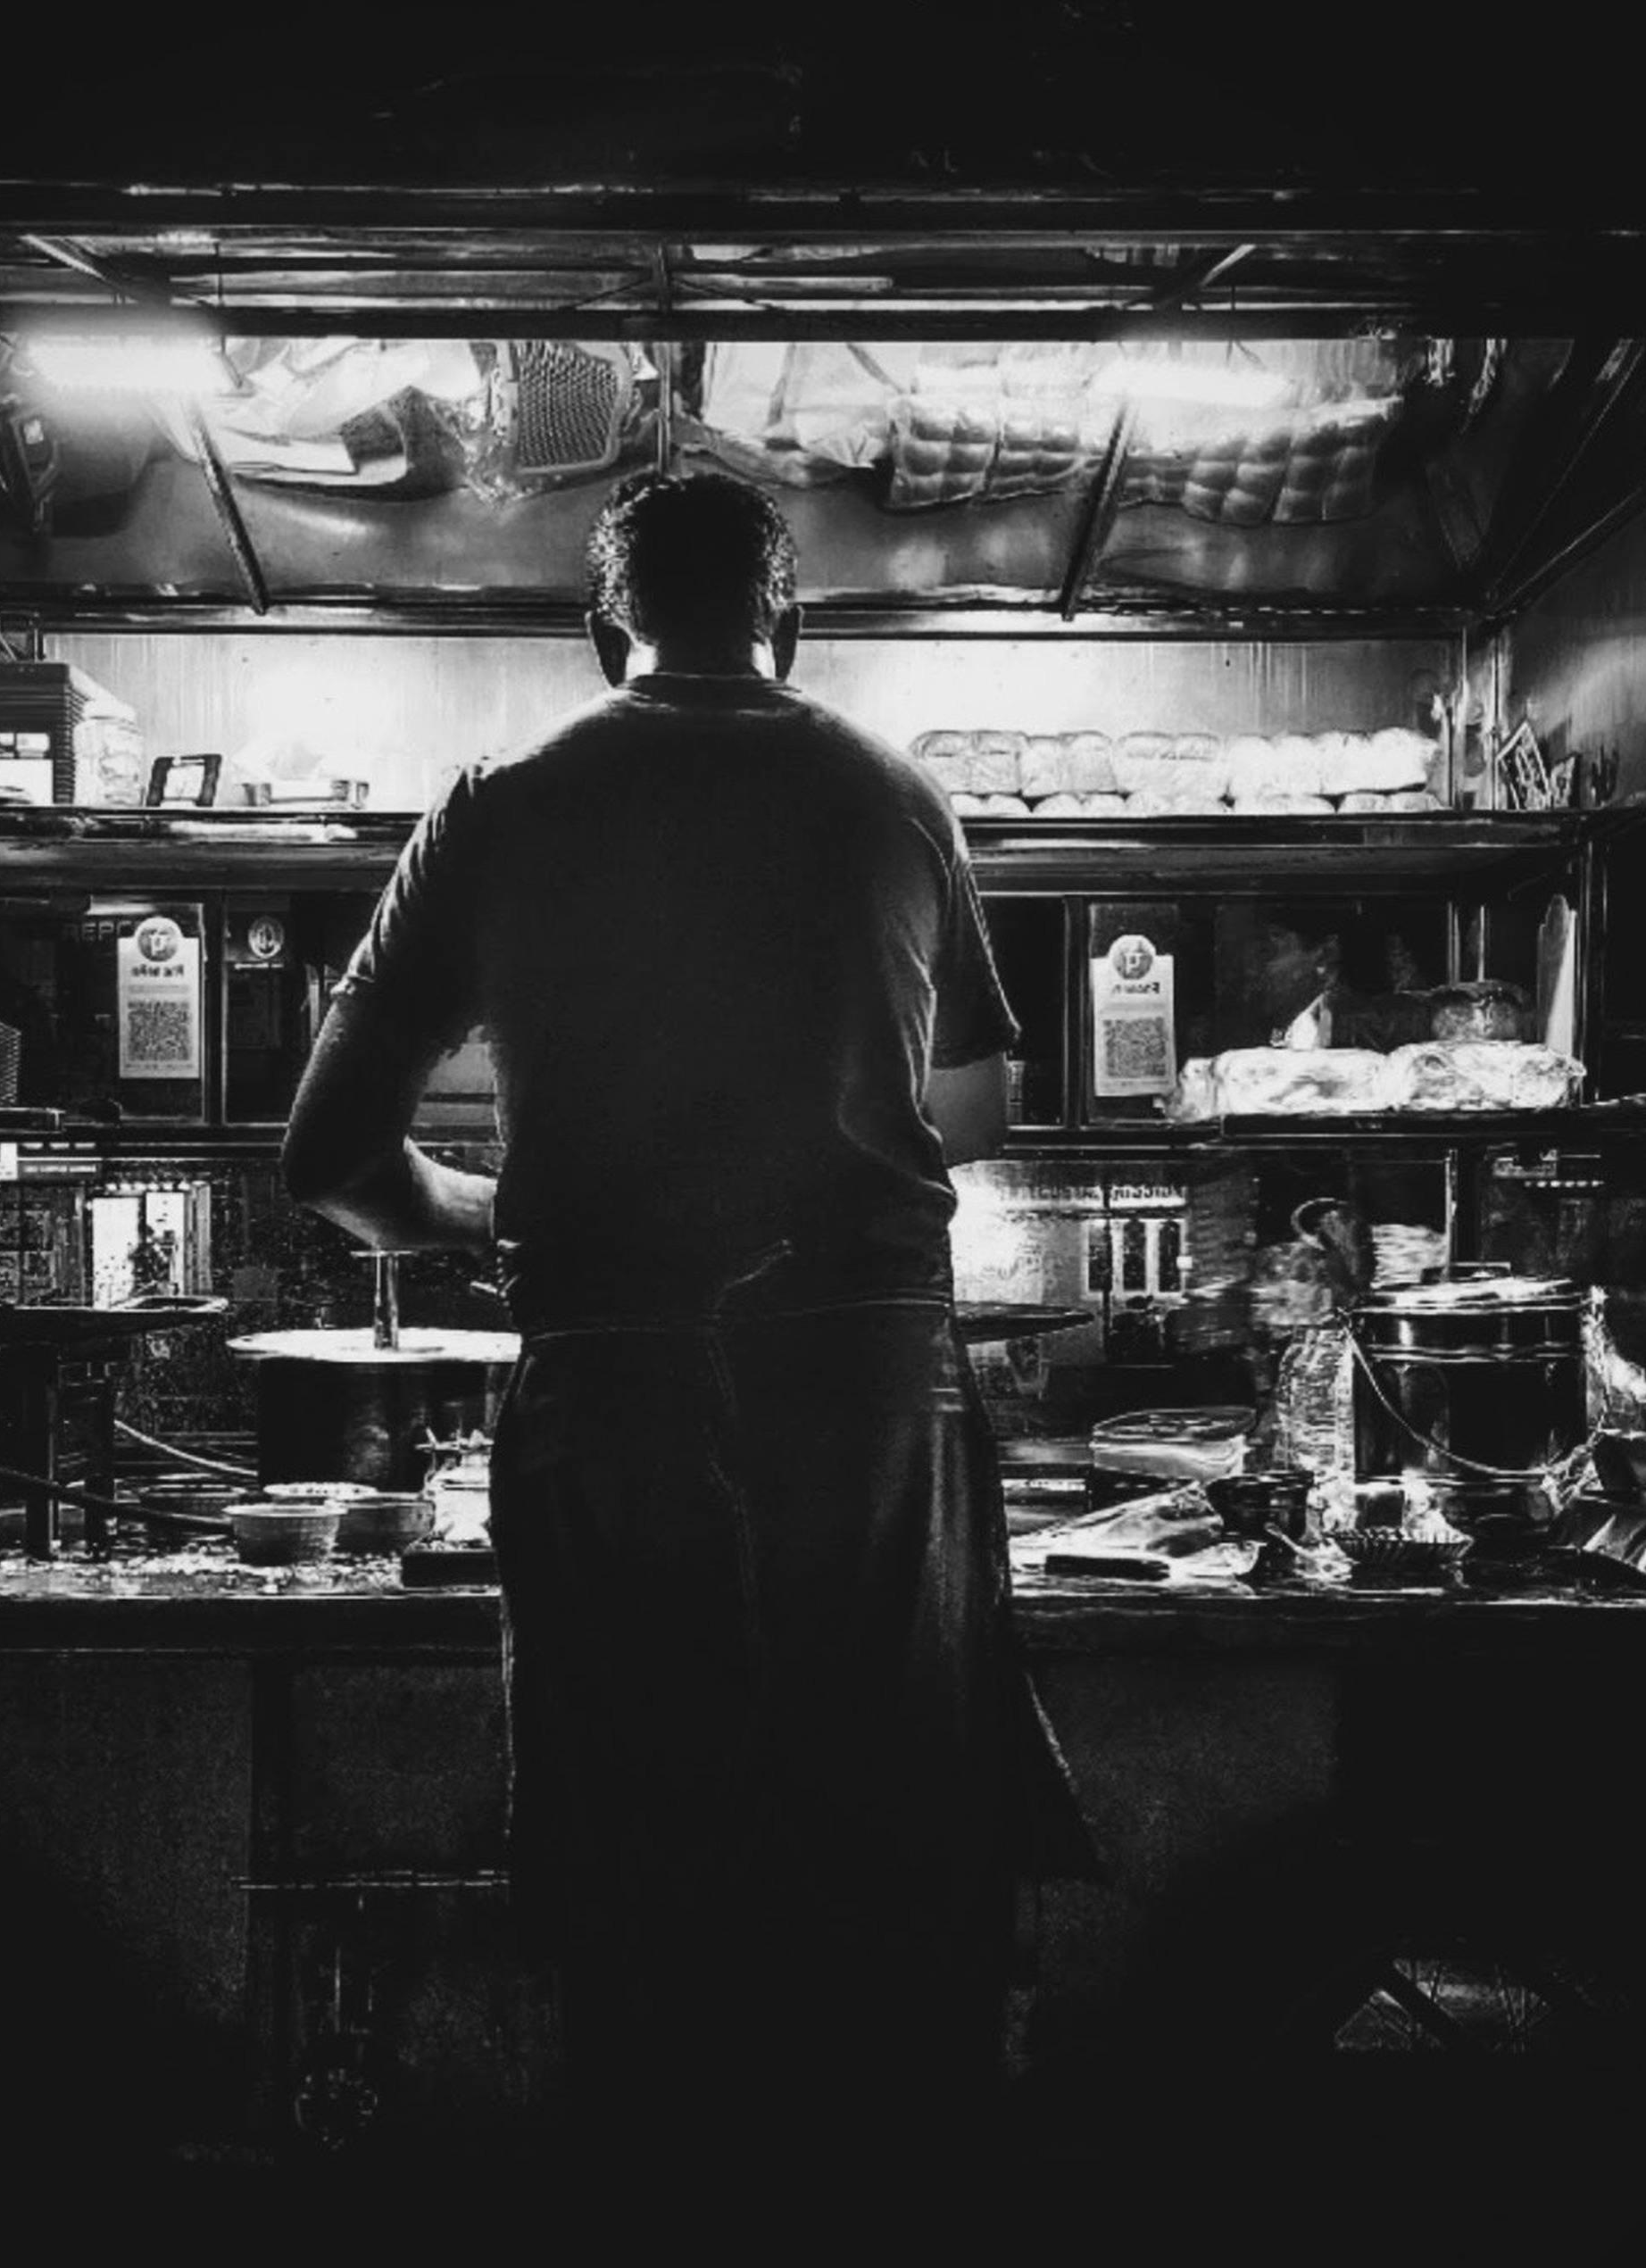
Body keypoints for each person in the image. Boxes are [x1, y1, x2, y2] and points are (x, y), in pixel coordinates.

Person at [282, 469, 1079, 2189]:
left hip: (619, 1391)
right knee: (891, 1875)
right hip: (867, 1396)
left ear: (600, 633)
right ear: (787, 624)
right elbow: (981, 1107)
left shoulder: (496, 801)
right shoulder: (894, 794)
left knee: (642, 1874)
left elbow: (326, 1156)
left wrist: (505, 1217)